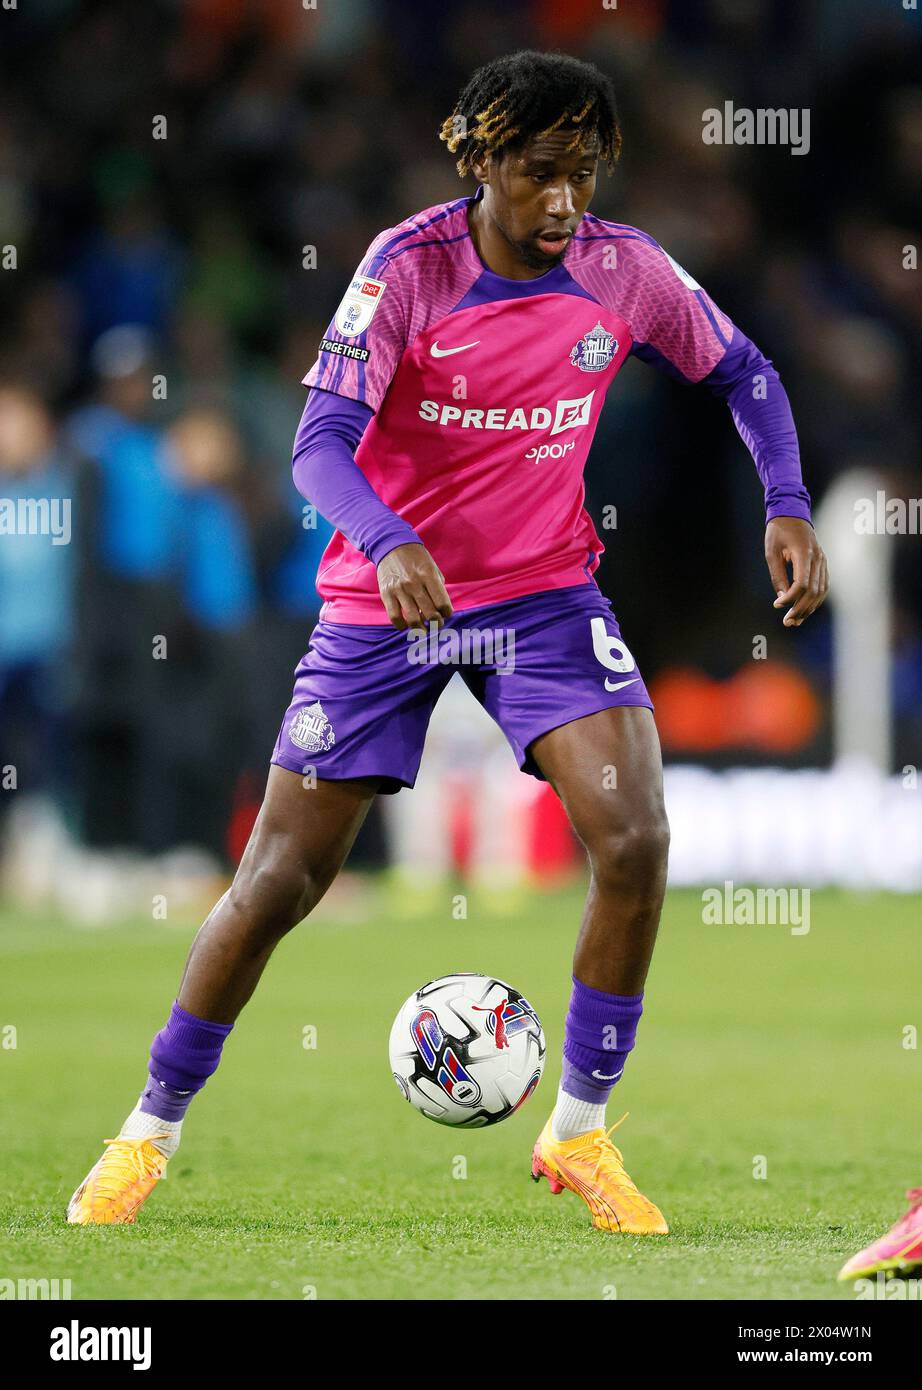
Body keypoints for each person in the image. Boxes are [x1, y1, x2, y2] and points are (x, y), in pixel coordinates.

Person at [68, 50, 828, 1234]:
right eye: (537, 171)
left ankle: (577, 1132)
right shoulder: (405, 267)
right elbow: (319, 441)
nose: (563, 199)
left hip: (542, 596)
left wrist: (785, 501)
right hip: (387, 605)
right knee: (280, 880)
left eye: (582, 171)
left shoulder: (622, 271)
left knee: (633, 837)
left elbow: (744, 370)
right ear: (479, 159)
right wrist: (386, 538)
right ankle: (145, 1132)